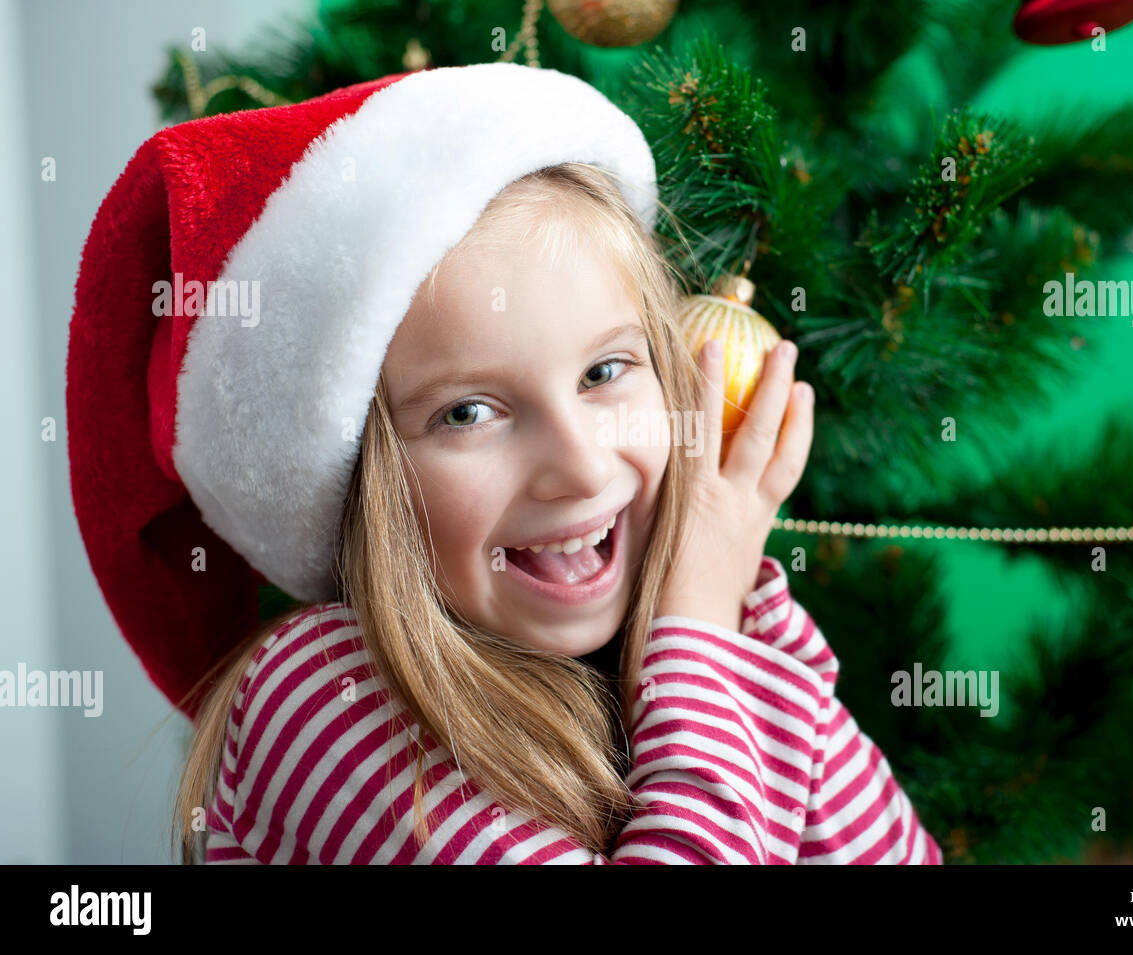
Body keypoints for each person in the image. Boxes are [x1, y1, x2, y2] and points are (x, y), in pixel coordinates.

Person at [67, 62, 942, 865]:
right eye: (469, 412)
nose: (579, 466)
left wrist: (723, 608)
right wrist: (702, 631)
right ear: (357, 482)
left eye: (604, 371)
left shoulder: (704, 616)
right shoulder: (315, 696)